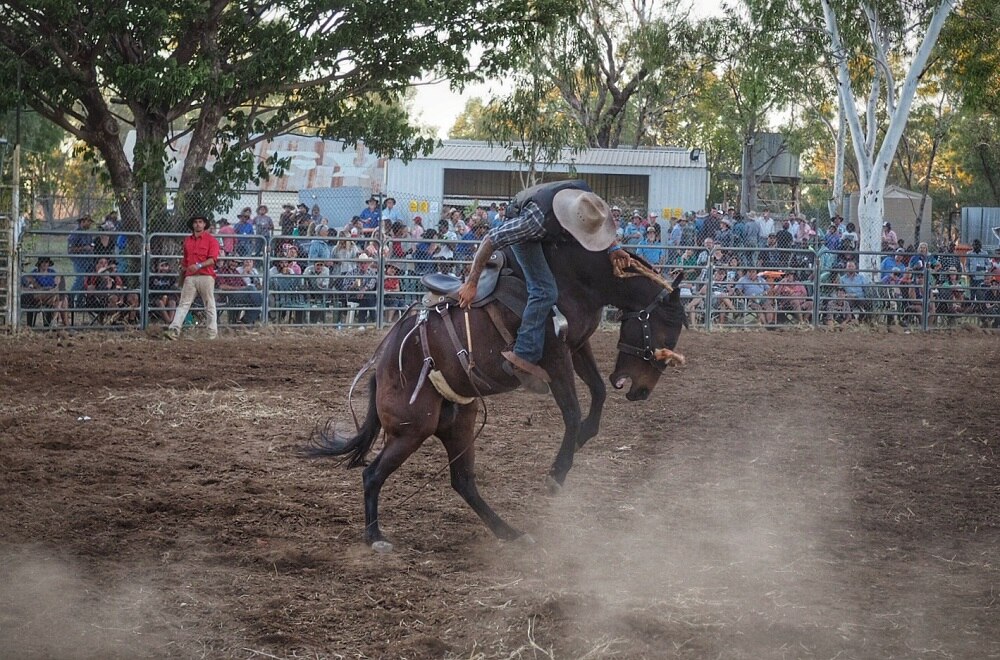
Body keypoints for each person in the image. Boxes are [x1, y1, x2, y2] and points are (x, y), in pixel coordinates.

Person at [457, 180, 628, 393]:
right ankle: (523, 354)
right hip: (523, 222)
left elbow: (601, 225)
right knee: (544, 289)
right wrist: (472, 282)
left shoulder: (589, 203)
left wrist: (613, 247)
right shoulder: (534, 223)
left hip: (549, 219)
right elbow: (491, 239)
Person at [163, 214, 220, 340]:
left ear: (204, 225)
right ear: (193, 225)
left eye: (200, 222)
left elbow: (213, 260)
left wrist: (198, 265)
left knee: (209, 304)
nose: (198, 224)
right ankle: (174, 330)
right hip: (191, 276)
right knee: (184, 303)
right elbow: (185, 262)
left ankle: (212, 334)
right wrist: (182, 277)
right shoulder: (187, 241)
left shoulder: (211, 240)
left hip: (206, 276)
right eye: (196, 222)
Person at [67, 215, 96, 293]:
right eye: (88, 221)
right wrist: (83, 248)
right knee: (80, 280)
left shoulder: (88, 234)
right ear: (82, 222)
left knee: (85, 283)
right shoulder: (76, 233)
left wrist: (91, 247)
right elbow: (70, 249)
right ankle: (70, 297)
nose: (90, 224)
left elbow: (91, 244)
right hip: (79, 260)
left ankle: (80, 302)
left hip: (88, 261)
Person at [148, 258, 179, 325]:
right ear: (157, 267)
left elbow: (174, 287)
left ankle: (171, 322)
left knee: (172, 302)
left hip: (168, 295)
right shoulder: (152, 276)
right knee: (160, 303)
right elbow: (150, 290)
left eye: (166, 266)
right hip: (156, 297)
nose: (164, 268)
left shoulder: (170, 275)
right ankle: (169, 322)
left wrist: (166, 296)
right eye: (162, 266)